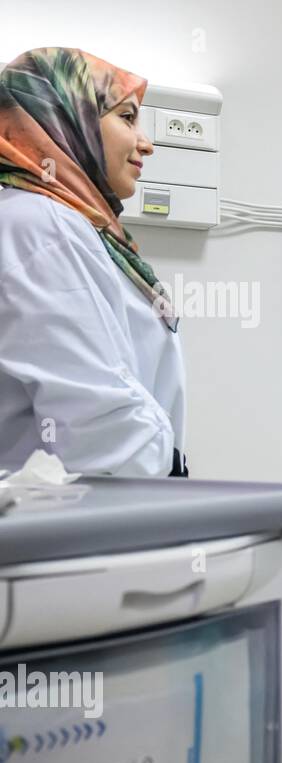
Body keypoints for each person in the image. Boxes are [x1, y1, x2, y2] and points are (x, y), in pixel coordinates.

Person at [0, 47, 186, 476]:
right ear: (67, 117)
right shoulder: (42, 224)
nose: (147, 143)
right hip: (84, 511)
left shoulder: (73, 226)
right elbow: (96, 422)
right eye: (127, 117)